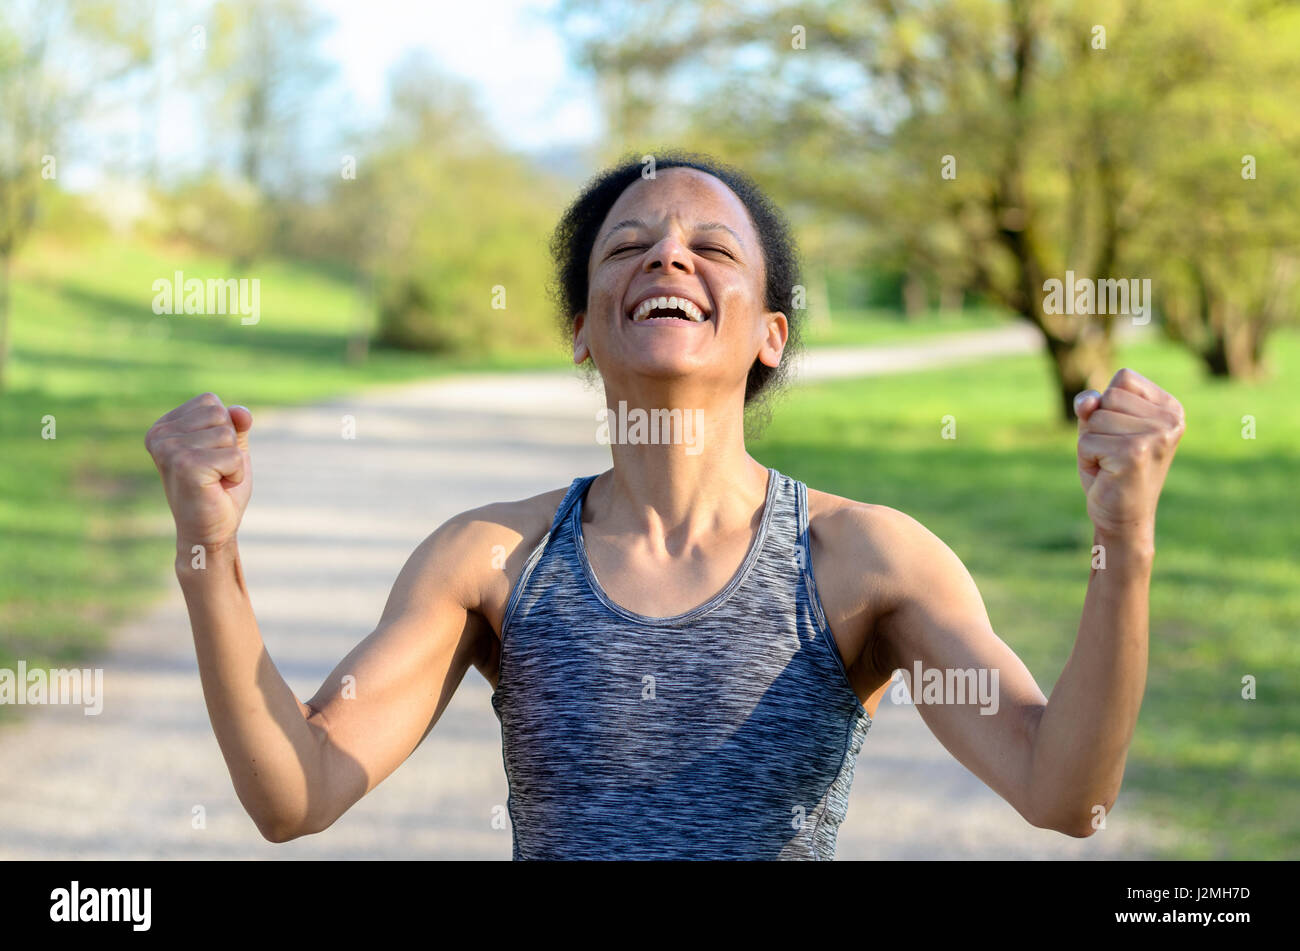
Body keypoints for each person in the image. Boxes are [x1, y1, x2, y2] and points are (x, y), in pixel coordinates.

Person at [144, 151, 1185, 860]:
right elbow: (297, 794)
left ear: (769, 333)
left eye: (712, 247)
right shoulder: (491, 558)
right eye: (627, 243)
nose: (668, 254)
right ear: (585, 332)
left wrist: (1124, 543)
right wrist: (208, 553)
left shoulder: (863, 560)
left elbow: (1066, 798)